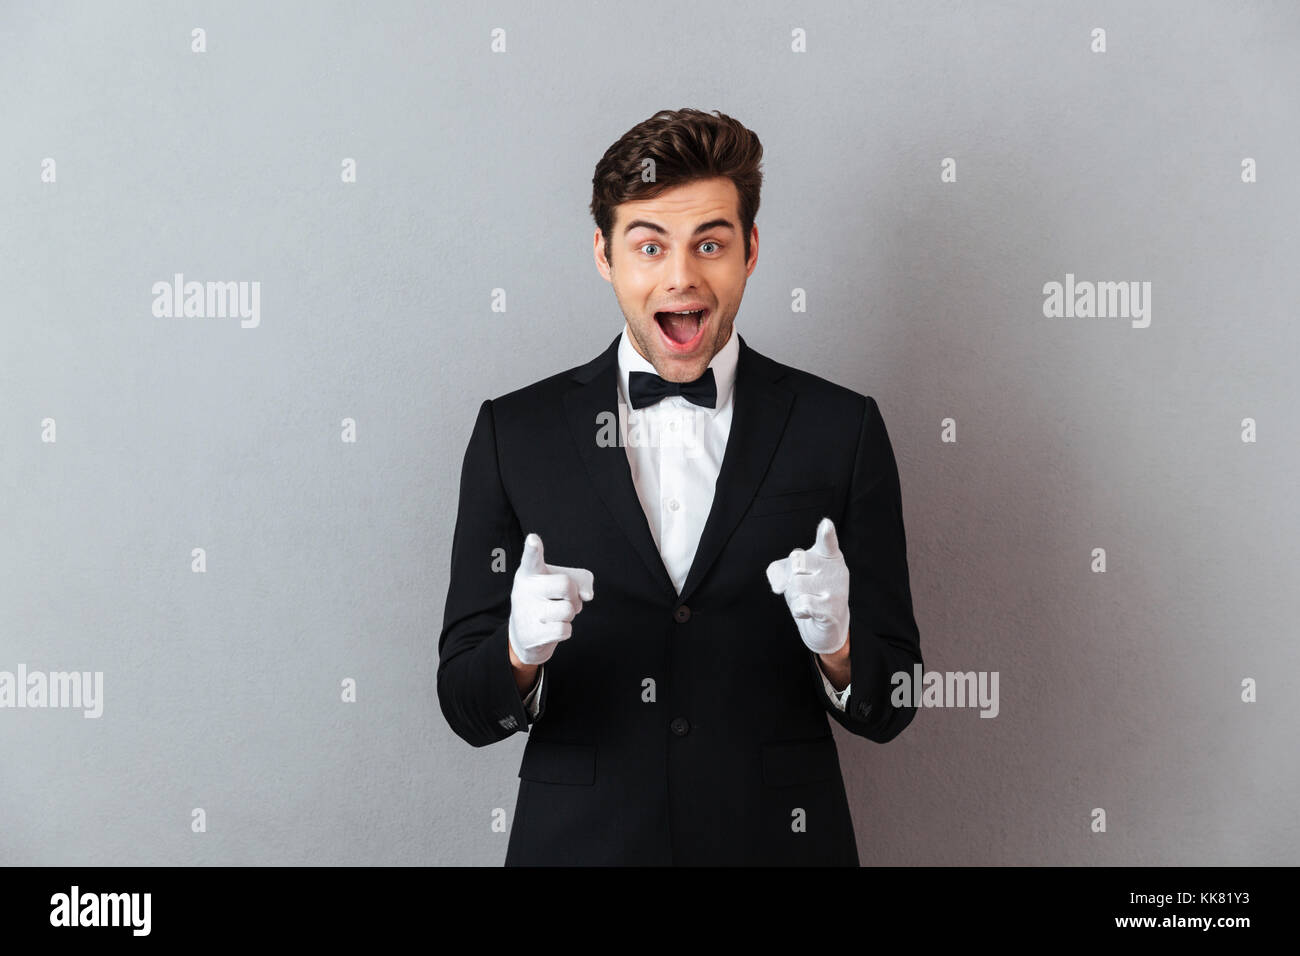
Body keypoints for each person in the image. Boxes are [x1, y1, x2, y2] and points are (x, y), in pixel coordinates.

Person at [438, 108, 922, 866]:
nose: (681, 277)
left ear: (750, 250)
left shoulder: (842, 427)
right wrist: (518, 654)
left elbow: (895, 704)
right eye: (650, 246)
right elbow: (466, 709)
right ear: (604, 254)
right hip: (579, 848)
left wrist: (841, 646)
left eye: (710, 244)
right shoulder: (514, 433)